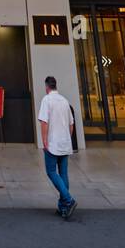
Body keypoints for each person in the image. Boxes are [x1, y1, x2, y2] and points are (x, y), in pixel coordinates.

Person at [38, 75, 76, 220]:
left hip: (53, 143)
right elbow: (71, 124)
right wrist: (68, 138)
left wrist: (44, 141)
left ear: (47, 87)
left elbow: (44, 122)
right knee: (63, 173)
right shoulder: (65, 101)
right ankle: (63, 207)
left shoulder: (47, 100)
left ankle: (68, 199)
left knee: (51, 171)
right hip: (65, 143)